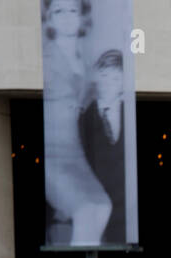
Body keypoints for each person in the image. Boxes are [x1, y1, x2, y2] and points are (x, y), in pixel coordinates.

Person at [41, 0, 112, 245]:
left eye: (73, 10)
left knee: (102, 206)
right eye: (59, 11)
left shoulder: (86, 61)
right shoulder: (45, 59)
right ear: (49, 18)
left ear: (83, 17)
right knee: (83, 210)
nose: (66, 16)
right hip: (51, 152)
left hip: (75, 153)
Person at [77, 48, 126, 245]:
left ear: (123, 82)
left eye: (115, 78)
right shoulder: (85, 118)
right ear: (97, 78)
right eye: (104, 76)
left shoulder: (129, 115)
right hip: (95, 207)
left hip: (125, 212)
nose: (109, 84)